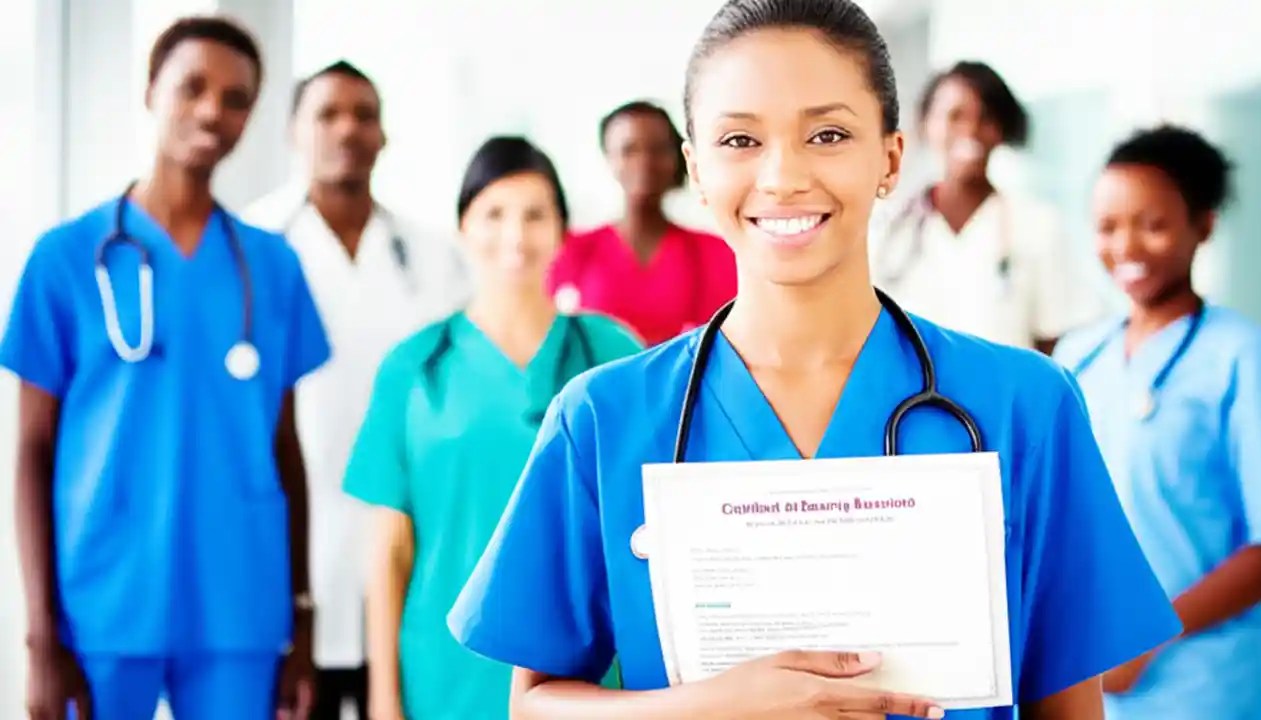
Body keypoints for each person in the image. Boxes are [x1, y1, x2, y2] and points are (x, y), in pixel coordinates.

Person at [446, 1, 1182, 718]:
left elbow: (1070, 706)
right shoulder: (603, 419)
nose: (783, 176)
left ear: (891, 158)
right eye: (740, 141)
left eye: (827, 134)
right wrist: (711, 708)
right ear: (696, 169)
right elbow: (535, 703)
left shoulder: (1025, 406)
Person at [2, 16, 327, 720]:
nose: (213, 110)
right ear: (152, 91)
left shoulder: (271, 268)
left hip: (239, 602)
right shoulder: (65, 260)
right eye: (193, 88)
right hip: (102, 605)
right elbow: (31, 451)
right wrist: (38, 638)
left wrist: (302, 619)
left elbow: (285, 450)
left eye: (237, 98)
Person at [343, 136, 643, 720]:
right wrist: (382, 698)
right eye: (494, 214)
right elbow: (387, 551)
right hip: (444, 665)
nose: (515, 235)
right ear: (462, 227)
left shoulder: (612, 353)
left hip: (585, 666)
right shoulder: (415, 366)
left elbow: (644, 520)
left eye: (535, 215)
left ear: (561, 230)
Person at [242, 59, 469, 720]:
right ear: (292, 132)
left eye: (364, 115)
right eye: (327, 113)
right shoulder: (253, 246)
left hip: (403, 543)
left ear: (384, 135)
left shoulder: (432, 255)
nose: (348, 128)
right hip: (284, 544)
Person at [1053, 126, 1261, 720]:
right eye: (1107, 227)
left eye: (1152, 224)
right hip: (1086, 677)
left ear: (1203, 225)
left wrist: (1151, 636)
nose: (1126, 246)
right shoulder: (1077, 358)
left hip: (1203, 684)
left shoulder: (1243, 357)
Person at [868, 61, 1100, 353]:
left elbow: (1056, 344)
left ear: (1003, 129)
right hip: (907, 398)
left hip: (1003, 399)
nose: (971, 130)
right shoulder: (885, 227)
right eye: (955, 116)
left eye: (986, 118)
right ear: (927, 124)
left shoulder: (1037, 225)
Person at [548, 100, 737, 346]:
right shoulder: (571, 251)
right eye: (629, 150)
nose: (644, 162)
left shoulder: (715, 253)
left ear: (680, 156)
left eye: (657, 149)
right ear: (608, 158)